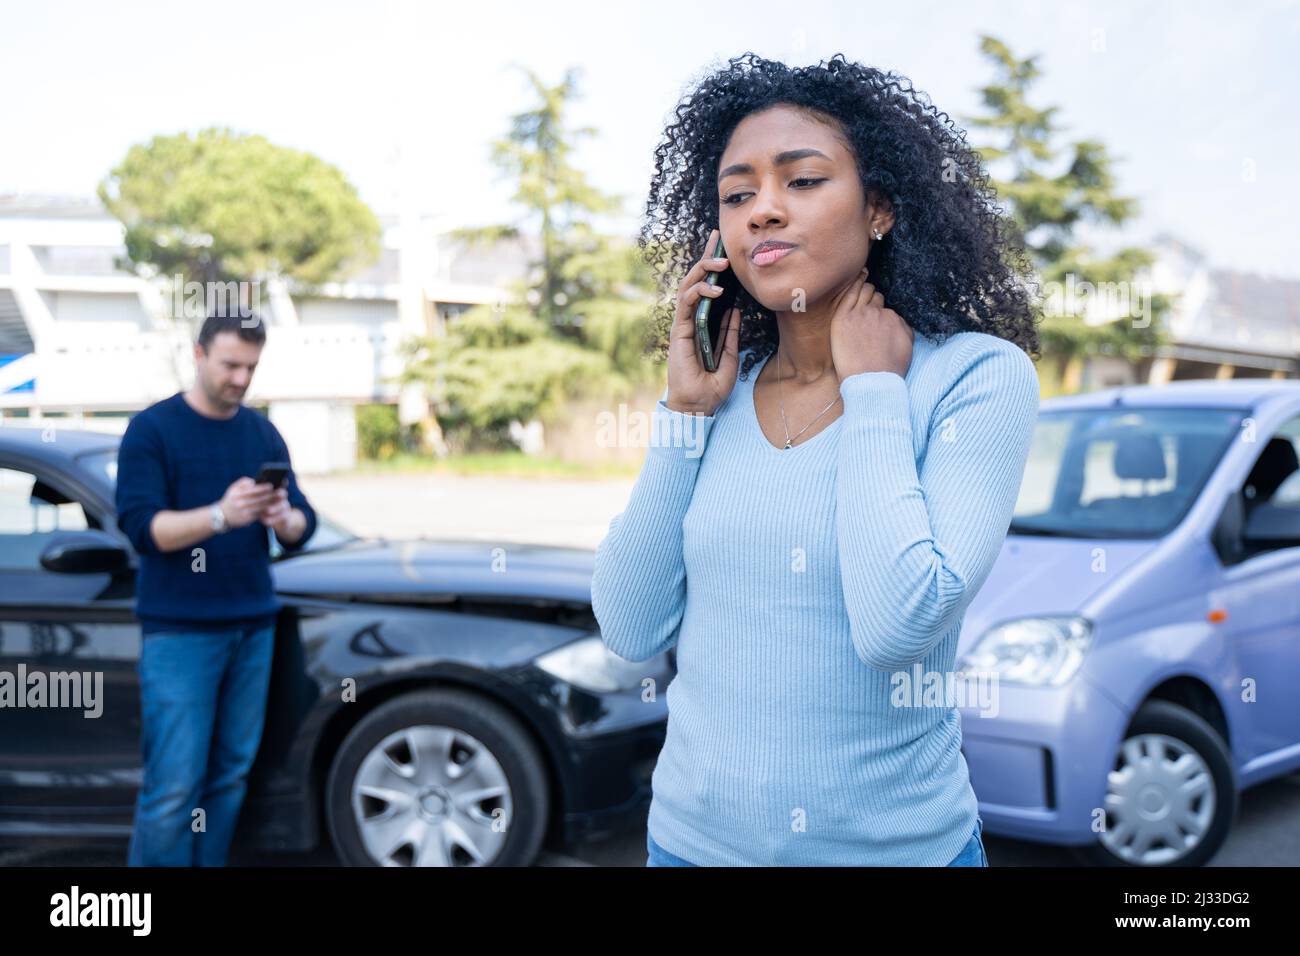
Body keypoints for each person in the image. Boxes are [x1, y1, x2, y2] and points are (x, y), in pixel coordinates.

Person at [591, 53, 1041, 866]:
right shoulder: (715, 398)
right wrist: (683, 415)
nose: (763, 210)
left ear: (879, 209)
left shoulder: (973, 378)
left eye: (801, 181)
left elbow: (898, 625)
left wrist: (873, 393)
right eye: (737, 194)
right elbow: (629, 624)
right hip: (691, 848)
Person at [116, 310, 317, 866]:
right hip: (180, 633)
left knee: (230, 777)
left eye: (251, 367)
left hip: (253, 627)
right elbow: (142, 529)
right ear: (199, 354)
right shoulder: (152, 430)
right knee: (175, 786)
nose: (241, 379)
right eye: (230, 365)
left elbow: (303, 525)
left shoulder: (260, 431)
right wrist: (221, 516)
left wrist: (281, 518)